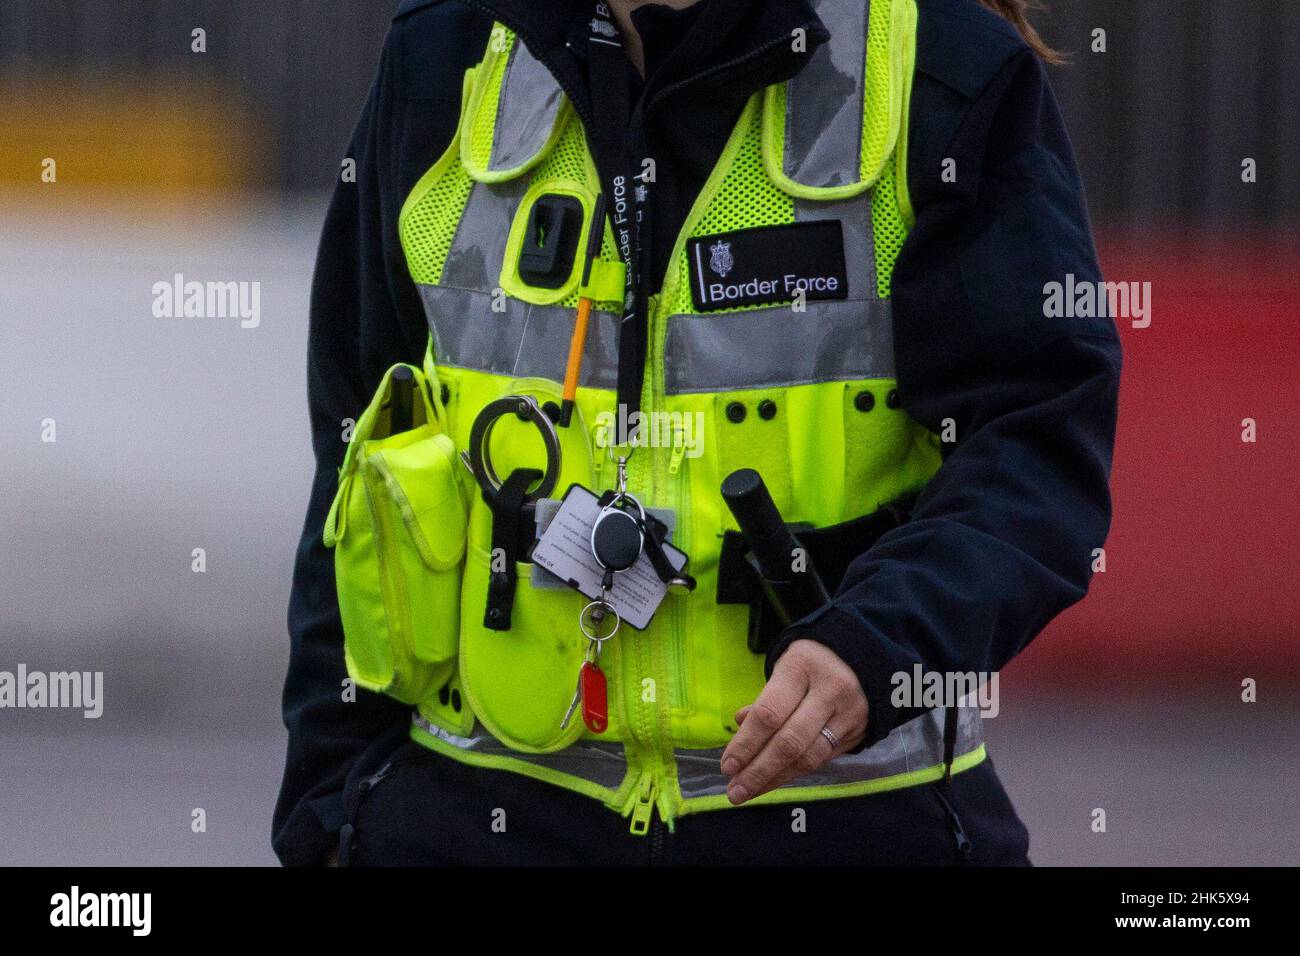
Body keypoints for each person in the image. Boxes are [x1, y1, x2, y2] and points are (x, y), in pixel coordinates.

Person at [274, 0, 1120, 866]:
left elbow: (1035, 438)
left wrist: (882, 645)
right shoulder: (445, 55)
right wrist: (330, 820)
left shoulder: (939, 64)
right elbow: (358, 461)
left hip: (842, 822)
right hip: (472, 822)